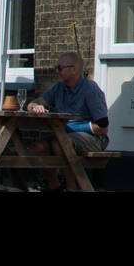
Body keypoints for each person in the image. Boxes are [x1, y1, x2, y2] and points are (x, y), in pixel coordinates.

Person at [26, 52, 108, 191]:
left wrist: (70, 128)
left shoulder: (90, 89)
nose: (56, 71)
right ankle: (55, 185)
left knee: (60, 142)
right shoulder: (59, 88)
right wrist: (36, 106)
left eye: (60, 68)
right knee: (37, 148)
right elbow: (31, 104)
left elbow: (103, 127)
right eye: (56, 68)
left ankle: (71, 187)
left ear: (74, 69)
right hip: (63, 136)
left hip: (95, 139)